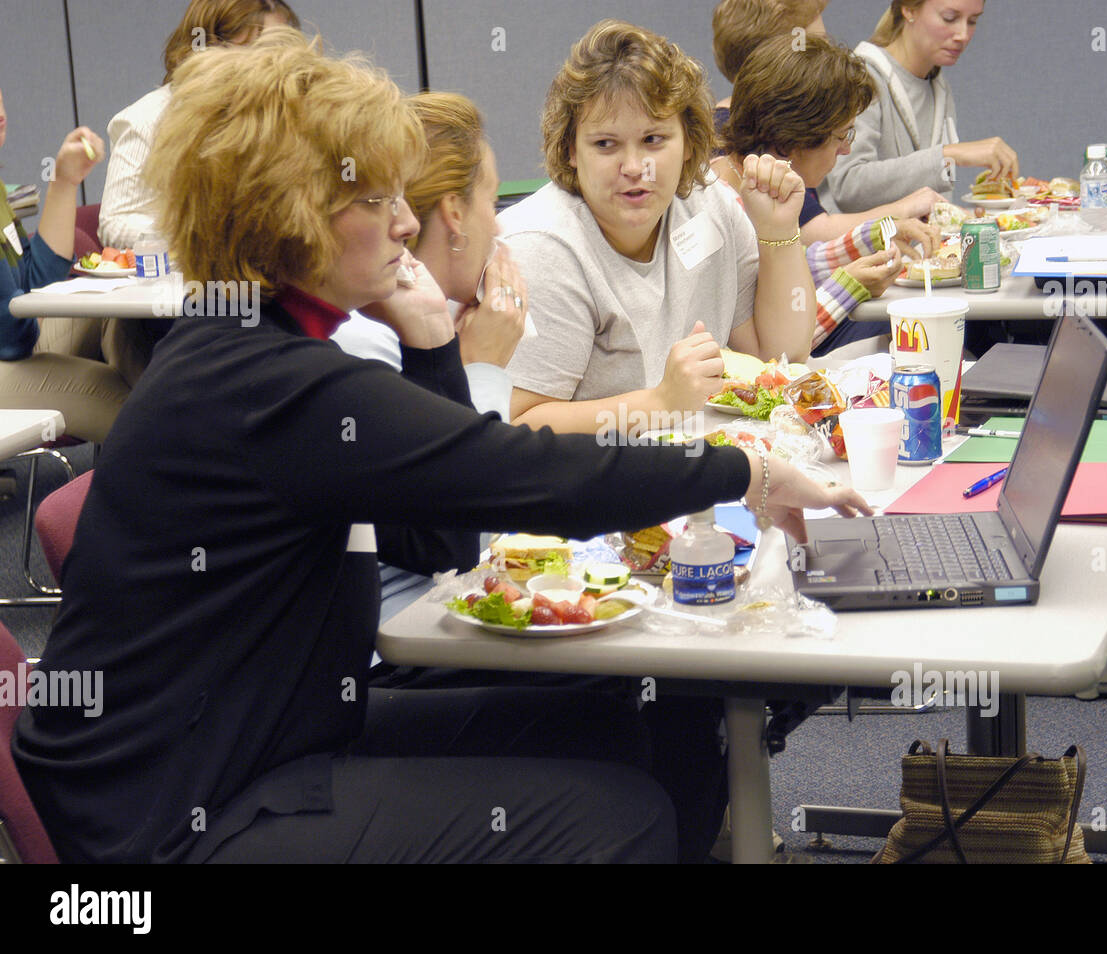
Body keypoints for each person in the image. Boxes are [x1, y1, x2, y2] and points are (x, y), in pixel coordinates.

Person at [12, 28, 867, 865]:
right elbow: (530, 477)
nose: (403, 226)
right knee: (621, 815)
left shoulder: (257, 341)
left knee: (615, 720)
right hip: (184, 813)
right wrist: (748, 469)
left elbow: (440, 540)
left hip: (251, 740)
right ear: (296, 215)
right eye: (377, 201)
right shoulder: (278, 383)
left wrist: (429, 347)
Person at [502, 19, 816, 434]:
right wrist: (660, 403)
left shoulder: (707, 203)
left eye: (653, 139)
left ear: (688, 141)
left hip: (685, 467)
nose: (635, 168)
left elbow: (781, 354)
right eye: (605, 144)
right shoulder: (544, 248)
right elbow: (520, 423)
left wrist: (778, 232)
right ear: (570, 150)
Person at [332, 91, 528, 620]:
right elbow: (465, 538)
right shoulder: (363, 339)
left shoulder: (450, 317)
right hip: (396, 641)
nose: (501, 226)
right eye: (491, 200)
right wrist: (479, 370)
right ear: (456, 213)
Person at [712, 35, 942, 352]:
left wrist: (876, 233)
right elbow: (774, 351)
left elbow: (798, 264)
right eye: (840, 136)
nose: (847, 148)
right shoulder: (726, 208)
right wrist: (849, 285)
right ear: (790, 137)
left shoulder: (752, 179)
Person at [710, 0, 942, 225]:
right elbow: (814, 233)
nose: (846, 149)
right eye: (814, 44)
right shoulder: (730, 187)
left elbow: (807, 252)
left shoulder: (775, 164)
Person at [97, 0, 299, 249]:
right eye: (261, 47)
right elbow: (116, 224)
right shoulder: (147, 118)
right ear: (212, 46)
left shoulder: (288, 114)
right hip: (190, 280)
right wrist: (203, 240)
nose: (278, 62)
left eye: (283, 48)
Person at [0, 85, 128, 444]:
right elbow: (12, 338)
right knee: (136, 411)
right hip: (7, 354)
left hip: (14, 344)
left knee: (119, 315)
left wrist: (65, 180)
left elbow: (33, 280)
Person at [823, 0, 1020, 213]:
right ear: (908, 9)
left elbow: (929, 195)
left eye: (972, 21)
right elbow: (847, 187)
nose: (963, 34)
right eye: (949, 18)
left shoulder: (938, 87)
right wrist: (949, 154)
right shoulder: (861, 78)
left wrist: (959, 216)